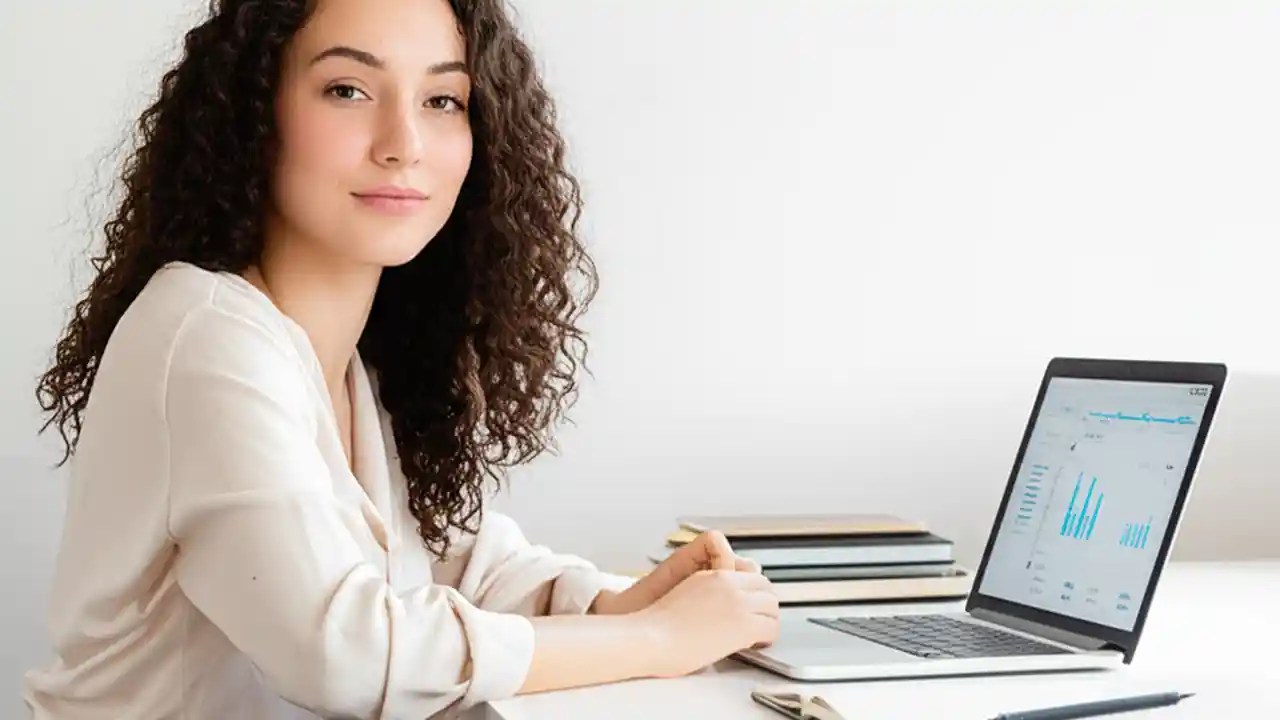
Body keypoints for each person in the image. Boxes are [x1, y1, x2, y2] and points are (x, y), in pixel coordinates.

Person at [23, 0, 780, 717]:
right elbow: (347, 655)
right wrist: (656, 640)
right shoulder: (206, 336)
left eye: (442, 101)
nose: (404, 143)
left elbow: (454, 565)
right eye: (348, 90)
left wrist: (611, 602)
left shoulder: (344, 363)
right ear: (255, 115)